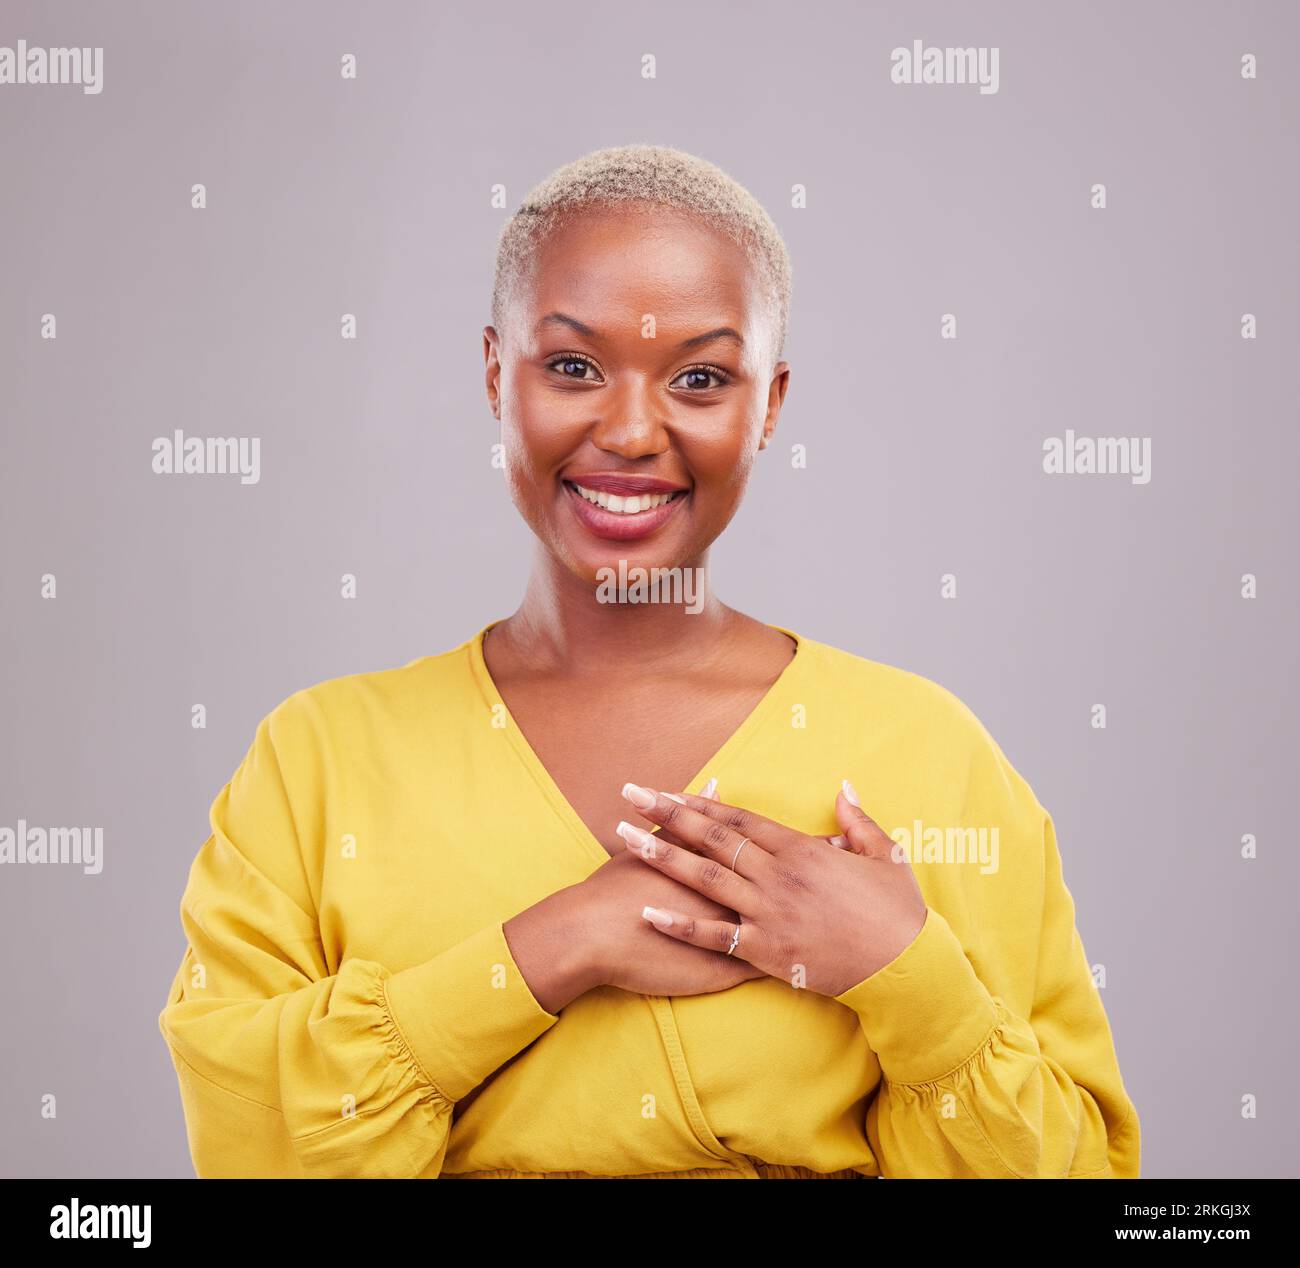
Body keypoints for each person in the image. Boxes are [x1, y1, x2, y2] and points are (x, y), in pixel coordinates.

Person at [158, 143, 1141, 1178]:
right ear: (497, 374)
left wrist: (908, 978)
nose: (630, 430)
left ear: (768, 405)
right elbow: (247, 1144)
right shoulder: (317, 758)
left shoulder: (926, 752)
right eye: (573, 366)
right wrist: (550, 947)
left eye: (702, 377)